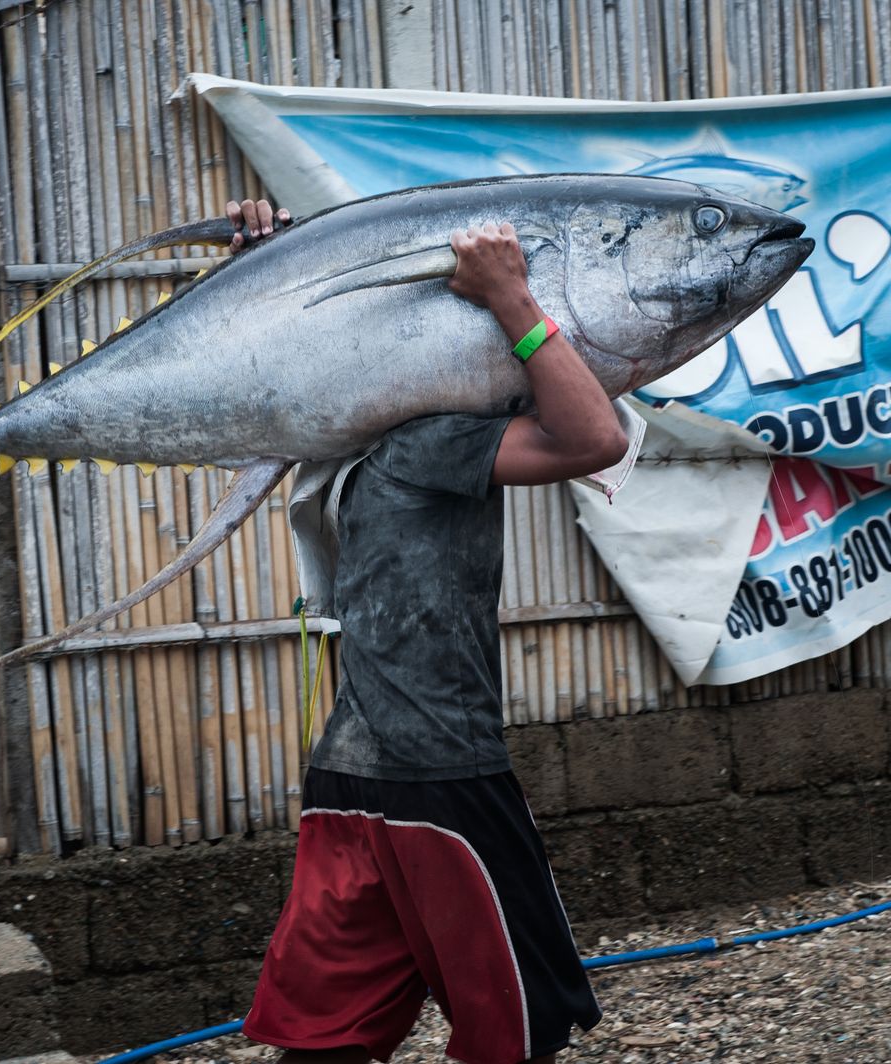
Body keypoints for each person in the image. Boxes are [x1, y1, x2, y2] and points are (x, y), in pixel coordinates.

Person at [224, 197, 628, 1064]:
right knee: (516, 1032)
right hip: (442, 781)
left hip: (347, 779)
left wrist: (270, 263)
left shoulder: (343, 453)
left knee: (325, 1038)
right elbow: (595, 437)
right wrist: (512, 301)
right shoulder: (418, 440)